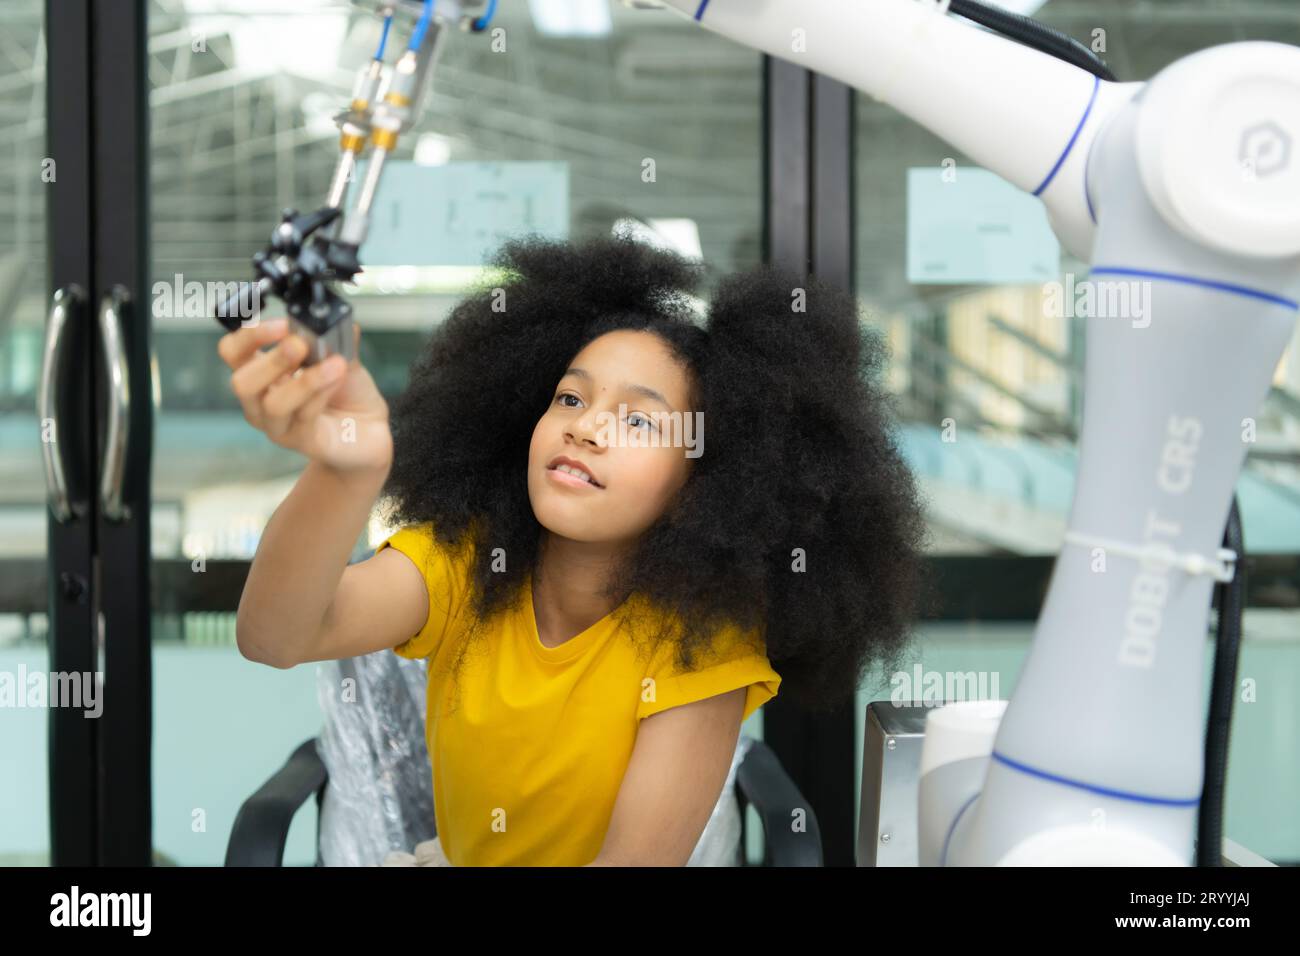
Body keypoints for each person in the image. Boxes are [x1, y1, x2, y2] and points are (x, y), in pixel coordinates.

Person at [224, 231, 931, 866]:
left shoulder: (701, 644)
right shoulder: (467, 562)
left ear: (706, 487)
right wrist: (344, 470)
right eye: (569, 399)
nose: (587, 428)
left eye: (639, 421)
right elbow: (277, 636)